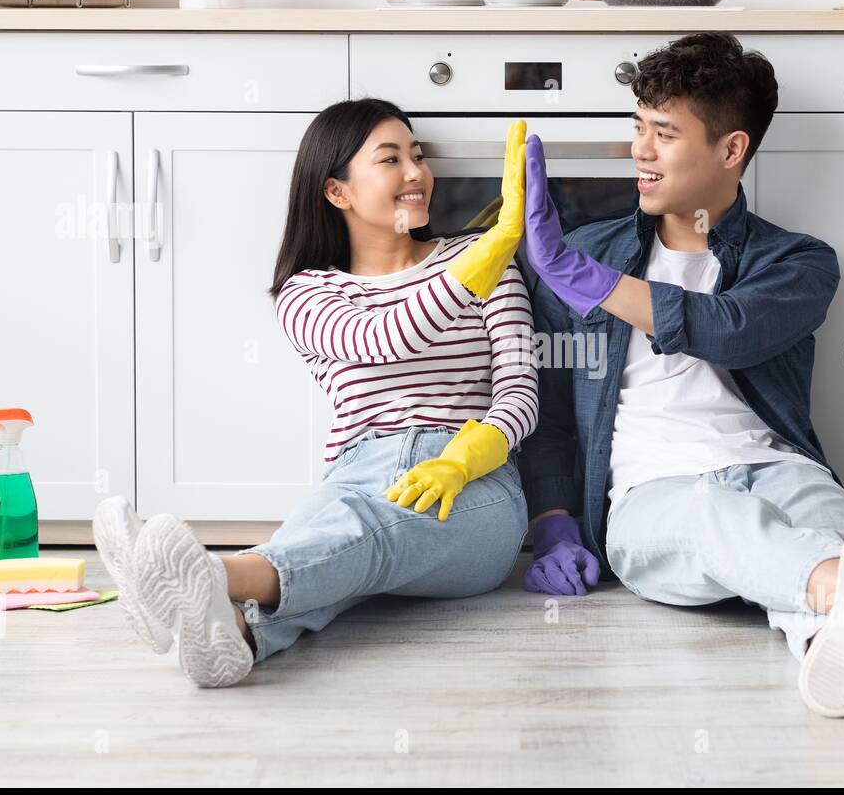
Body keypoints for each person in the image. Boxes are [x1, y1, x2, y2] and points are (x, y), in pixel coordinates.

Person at [517, 33, 844, 717]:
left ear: (730, 149)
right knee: (722, 517)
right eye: (638, 128)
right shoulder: (585, 254)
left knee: (823, 536)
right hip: (658, 496)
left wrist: (584, 281)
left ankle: (837, 633)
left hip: (779, 470)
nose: (639, 152)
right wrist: (555, 518)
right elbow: (554, 412)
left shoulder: (799, 263)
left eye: (664, 133)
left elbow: (731, 330)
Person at [93, 101, 536, 688]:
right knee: (343, 554)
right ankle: (238, 637)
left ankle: (205, 572)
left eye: (418, 156)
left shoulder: (484, 260)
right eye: (390, 159)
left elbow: (520, 390)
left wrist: (463, 459)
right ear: (336, 191)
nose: (415, 173)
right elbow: (383, 340)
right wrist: (483, 258)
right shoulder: (306, 293)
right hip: (358, 470)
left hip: (477, 487)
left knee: (355, 534)